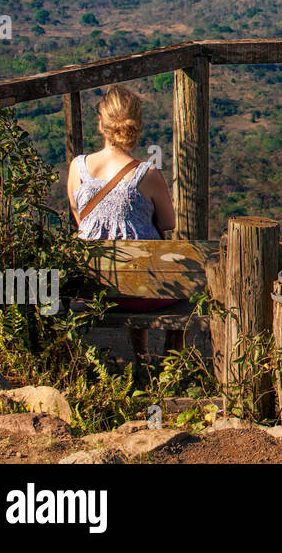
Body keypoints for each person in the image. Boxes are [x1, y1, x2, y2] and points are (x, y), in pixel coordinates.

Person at [66, 85, 177, 364]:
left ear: (101, 123)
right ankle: (161, 361)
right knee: (183, 282)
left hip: (92, 290)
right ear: (136, 125)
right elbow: (168, 222)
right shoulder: (147, 174)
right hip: (142, 292)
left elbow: (80, 220)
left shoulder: (77, 168)